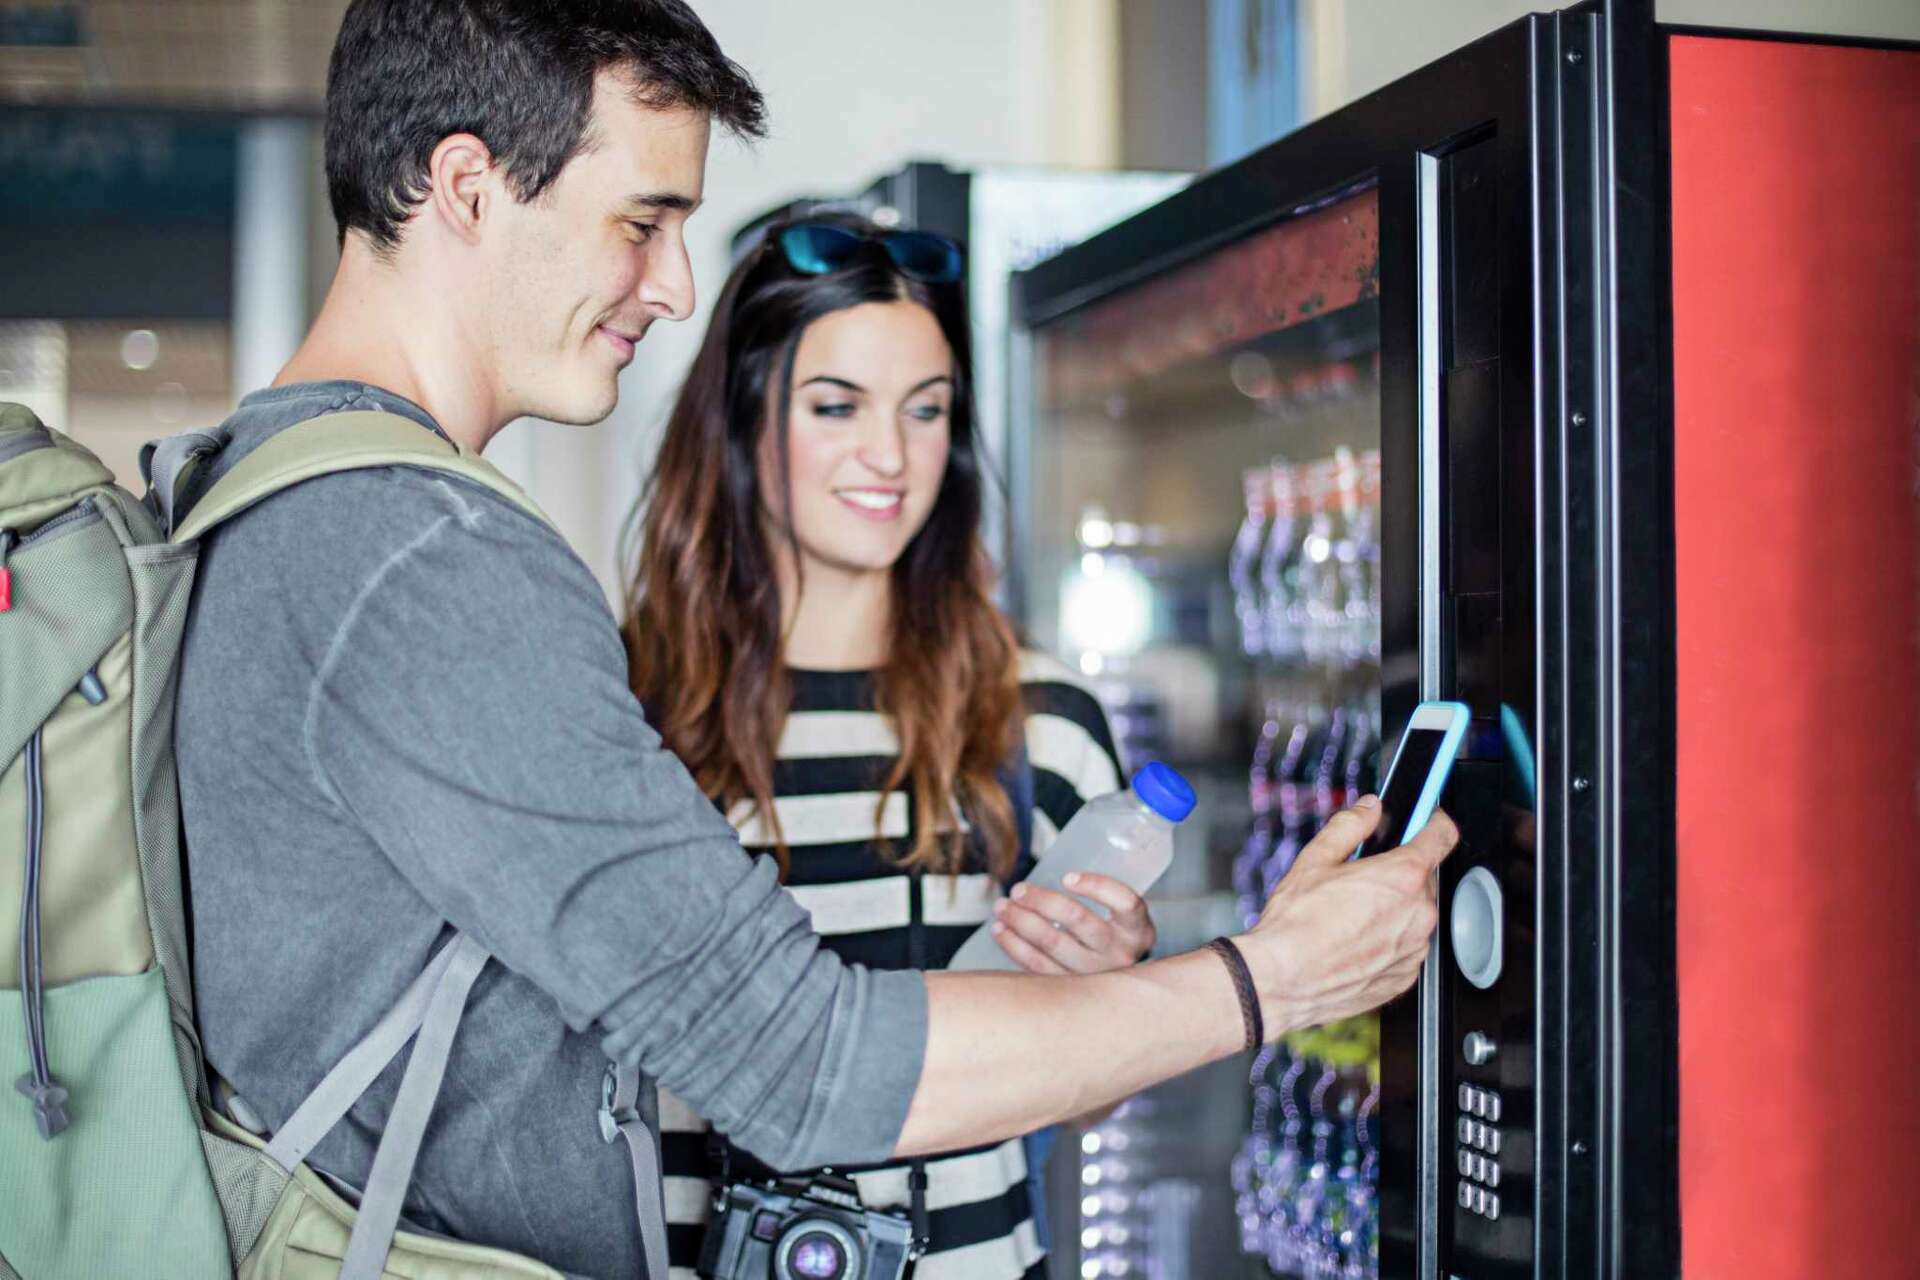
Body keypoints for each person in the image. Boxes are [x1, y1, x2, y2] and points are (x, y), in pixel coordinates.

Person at [173, 2, 1456, 1277]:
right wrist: (1272, 976)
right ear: (464, 184)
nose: (672, 287)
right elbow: (793, 1058)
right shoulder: (425, 559)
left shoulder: (265, 497)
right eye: (642, 222)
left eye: (928, 409)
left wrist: (1109, 998)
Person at [626, 215, 1154, 1278]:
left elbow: (1093, 1089)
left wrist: (1111, 997)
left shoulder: (1041, 723)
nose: (891, 456)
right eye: (837, 406)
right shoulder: (620, 710)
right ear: (741, 416)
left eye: (928, 410)